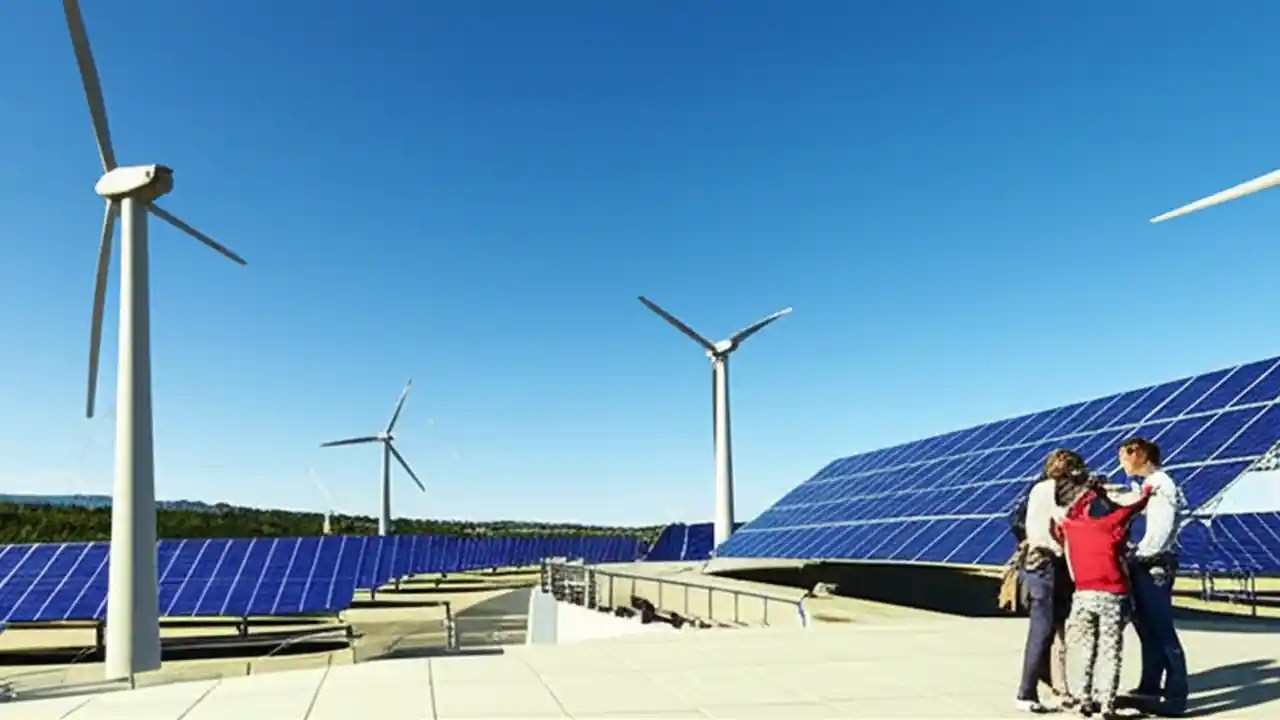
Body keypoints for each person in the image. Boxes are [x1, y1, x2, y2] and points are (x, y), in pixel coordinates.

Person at [1056, 479, 1154, 718]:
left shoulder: (1071, 526)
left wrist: (1090, 492)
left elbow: (1070, 512)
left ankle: (1083, 700)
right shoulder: (1111, 524)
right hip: (1113, 595)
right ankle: (1107, 705)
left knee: (1085, 648)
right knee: (1110, 650)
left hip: (1082, 595)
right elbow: (1132, 508)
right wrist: (1147, 493)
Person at [1012, 449, 1091, 713]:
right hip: (1046, 567)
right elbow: (1071, 509)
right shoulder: (1056, 489)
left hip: (1041, 566)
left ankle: (1057, 687)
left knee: (1055, 629)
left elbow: (1014, 519)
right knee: (1043, 630)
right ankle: (1026, 692)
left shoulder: (1036, 488)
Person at [1118, 437, 1188, 717]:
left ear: (1140, 456)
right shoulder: (1150, 485)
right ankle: (1149, 687)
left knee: (1161, 629)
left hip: (1155, 565)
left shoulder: (1162, 485)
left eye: (1124, 456)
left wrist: (1143, 555)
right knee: (1146, 629)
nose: (1120, 462)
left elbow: (1161, 529)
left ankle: (1175, 695)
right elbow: (1131, 502)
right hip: (1146, 562)